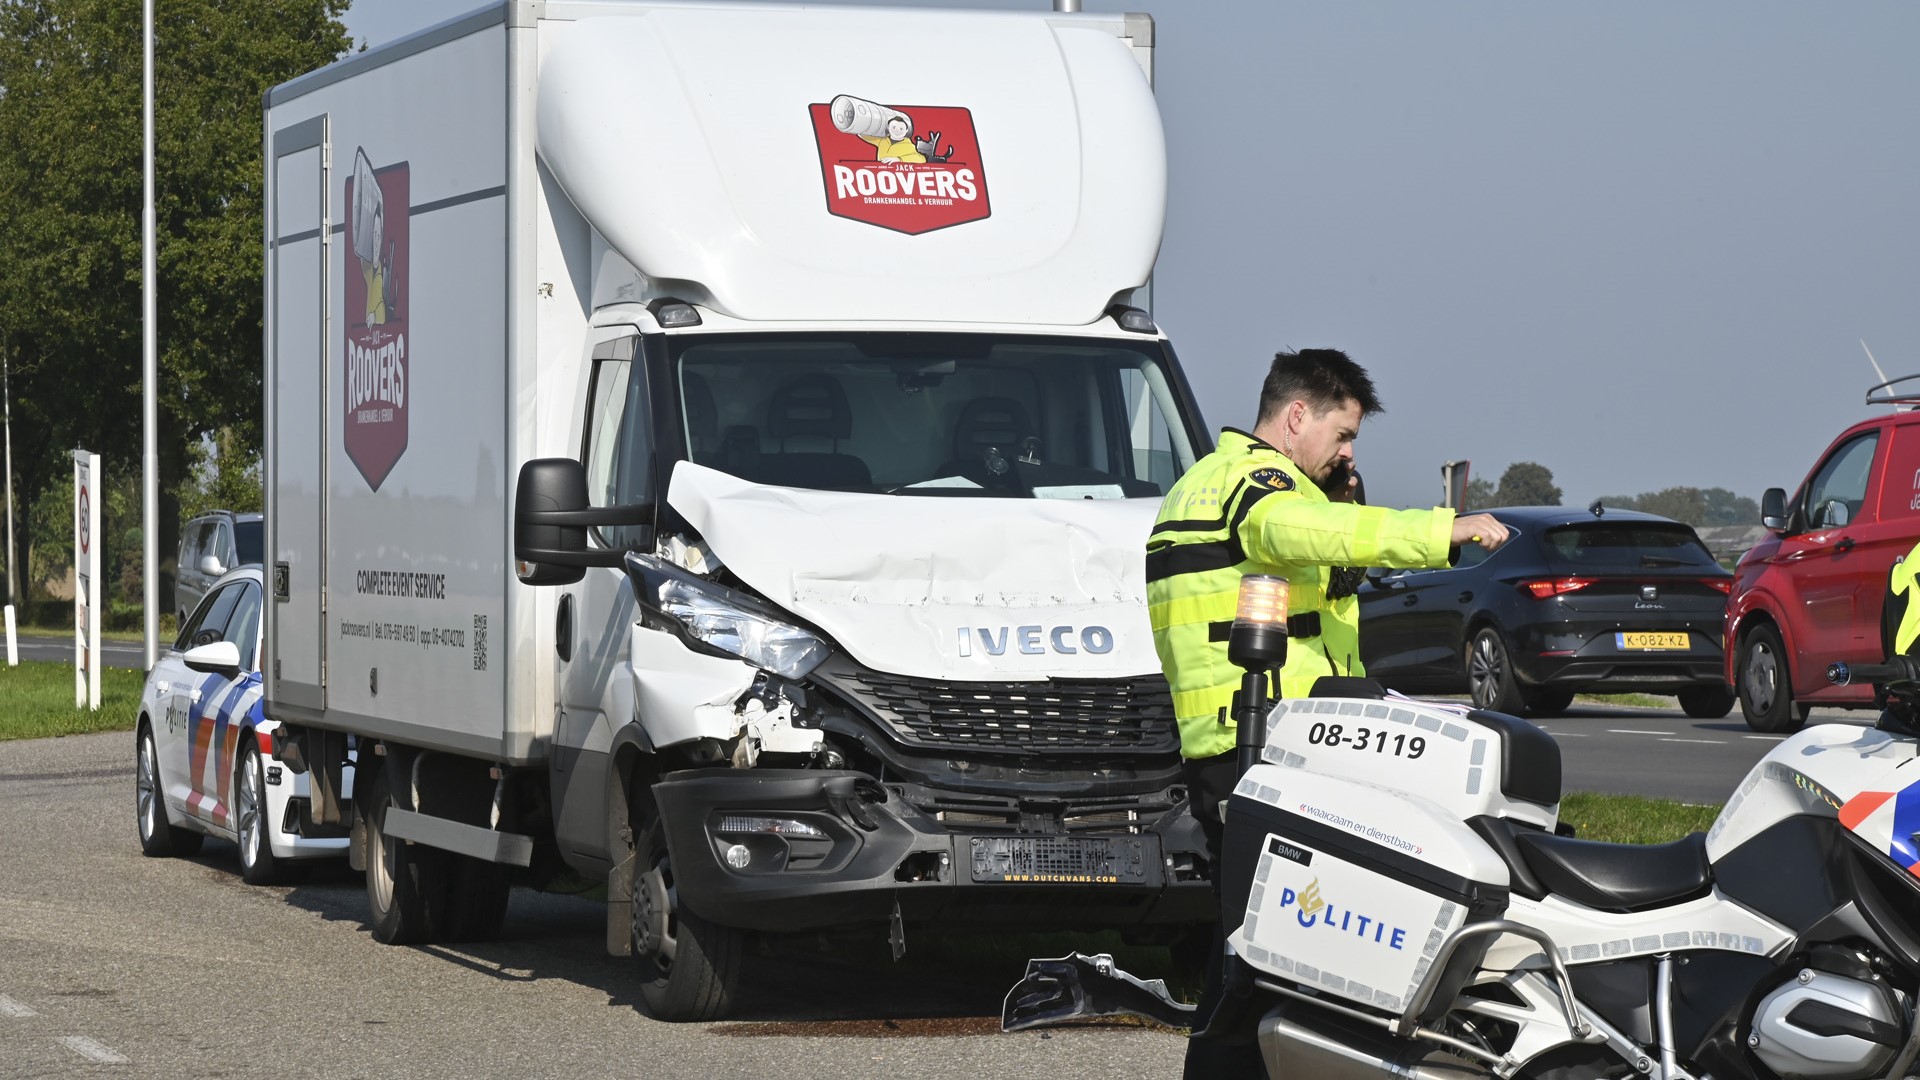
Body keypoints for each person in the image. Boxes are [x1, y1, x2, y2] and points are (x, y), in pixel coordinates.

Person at [1146, 347, 1508, 1077]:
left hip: (1264, 740)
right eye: (1341, 436)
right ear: (1296, 416)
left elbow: (1324, 580)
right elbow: (1300, 537)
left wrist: (1336, 497)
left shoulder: (1234, 486)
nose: (1345, 452)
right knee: (1262, 952)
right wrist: (1444, 531)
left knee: (1275, 947)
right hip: (1256, 744)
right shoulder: (1250, 484)